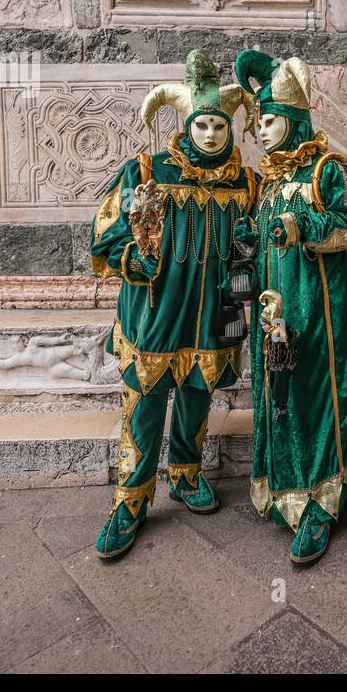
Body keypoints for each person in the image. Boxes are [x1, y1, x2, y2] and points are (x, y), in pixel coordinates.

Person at [88, 49, 256, 561]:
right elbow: (105, 236)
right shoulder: (147, 170)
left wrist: (248, 250)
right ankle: (131, 500)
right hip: (156, 316)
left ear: (230, 129)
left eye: (218, 126)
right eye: (201, 124)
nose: (209, 134)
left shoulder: (246, 184)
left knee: (198, 396)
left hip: (213, 315)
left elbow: (252, 246)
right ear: (188, 123)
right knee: (144, 407)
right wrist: (134, 259)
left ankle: (185, 474)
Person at [233, 49, 347, 567]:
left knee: (316, 394)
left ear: (293, 121)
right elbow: (264, 238)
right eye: (257, 122)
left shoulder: (327, 168)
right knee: (280, 394)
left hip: (320, 313)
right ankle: (286, 491)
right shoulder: (269, 181)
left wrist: (303, 228)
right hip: (276, 313)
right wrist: (250, 234)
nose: (261, 132)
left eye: (268, 121)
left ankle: (321, 503)